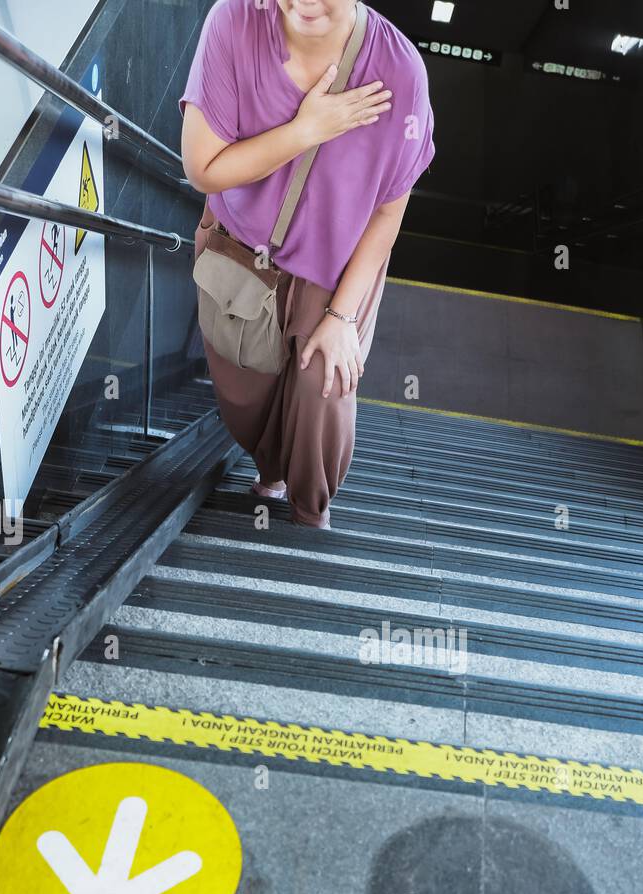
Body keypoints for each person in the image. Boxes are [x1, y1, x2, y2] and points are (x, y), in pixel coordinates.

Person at [180, 0, 435, 528]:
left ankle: (308, 515)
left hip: (335, 270)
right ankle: (269, 470)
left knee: (324, 383)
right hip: (241, 247)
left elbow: (389, 214)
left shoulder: (400, 72)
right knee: (245, 393)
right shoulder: (234, 22)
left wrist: (343, 318)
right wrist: (306, 129)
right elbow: (203, 168)